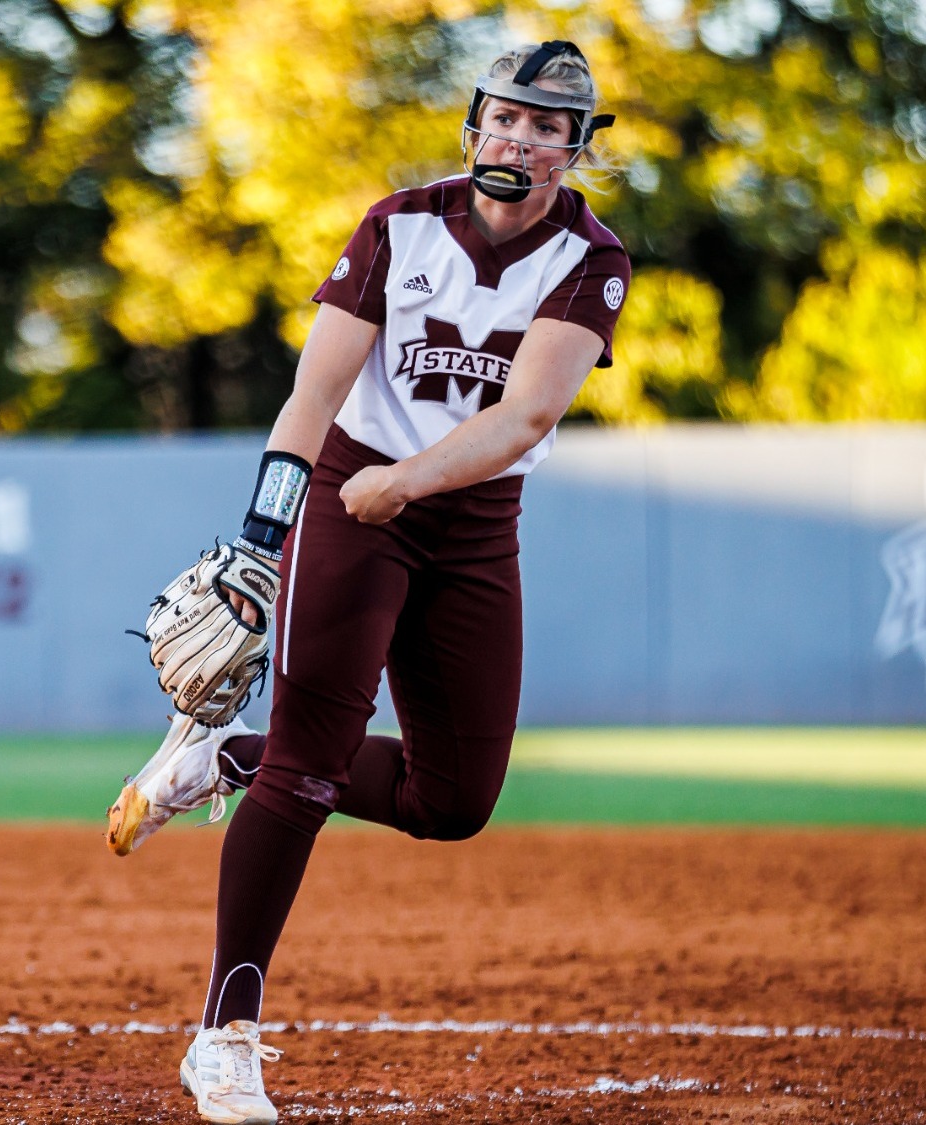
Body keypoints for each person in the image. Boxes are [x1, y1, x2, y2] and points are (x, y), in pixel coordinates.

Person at [103, 41, 628, 1124]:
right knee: (308, 768)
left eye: (547, 128)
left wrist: (410, 484)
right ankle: (225, 1037)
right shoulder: (397, 224)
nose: (521, 140)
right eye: (506, 117)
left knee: (455, 803)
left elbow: (524, 418)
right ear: (472, 124)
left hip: (466, 522)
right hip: (349, 506)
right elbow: (313, 391)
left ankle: (222, 758)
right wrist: (265, 529)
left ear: (575, 151)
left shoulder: (589, 256)